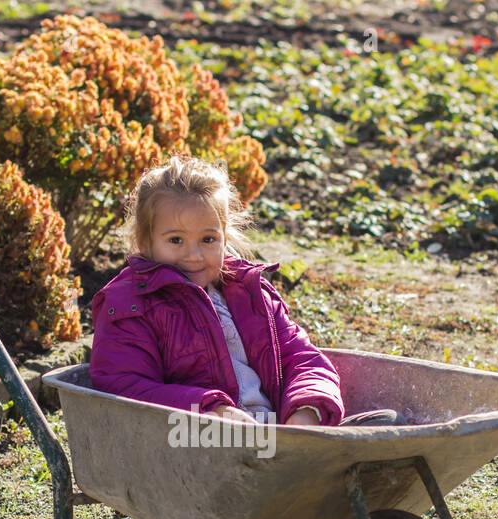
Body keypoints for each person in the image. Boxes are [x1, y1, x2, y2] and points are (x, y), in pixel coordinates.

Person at [88, 154, 404, 429]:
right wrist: (211, 410)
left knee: (387, 423)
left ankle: (315, 456)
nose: (194, 255)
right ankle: (314, 466)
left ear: (225, 236)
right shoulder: (130, 304)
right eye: (175, 240)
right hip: (191, 437)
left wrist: (306, 408)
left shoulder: (248, 294)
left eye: (208, 239)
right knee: (261, 451)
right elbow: (124, 387)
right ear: (146, 241)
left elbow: (302, 358)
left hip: (271, 430)